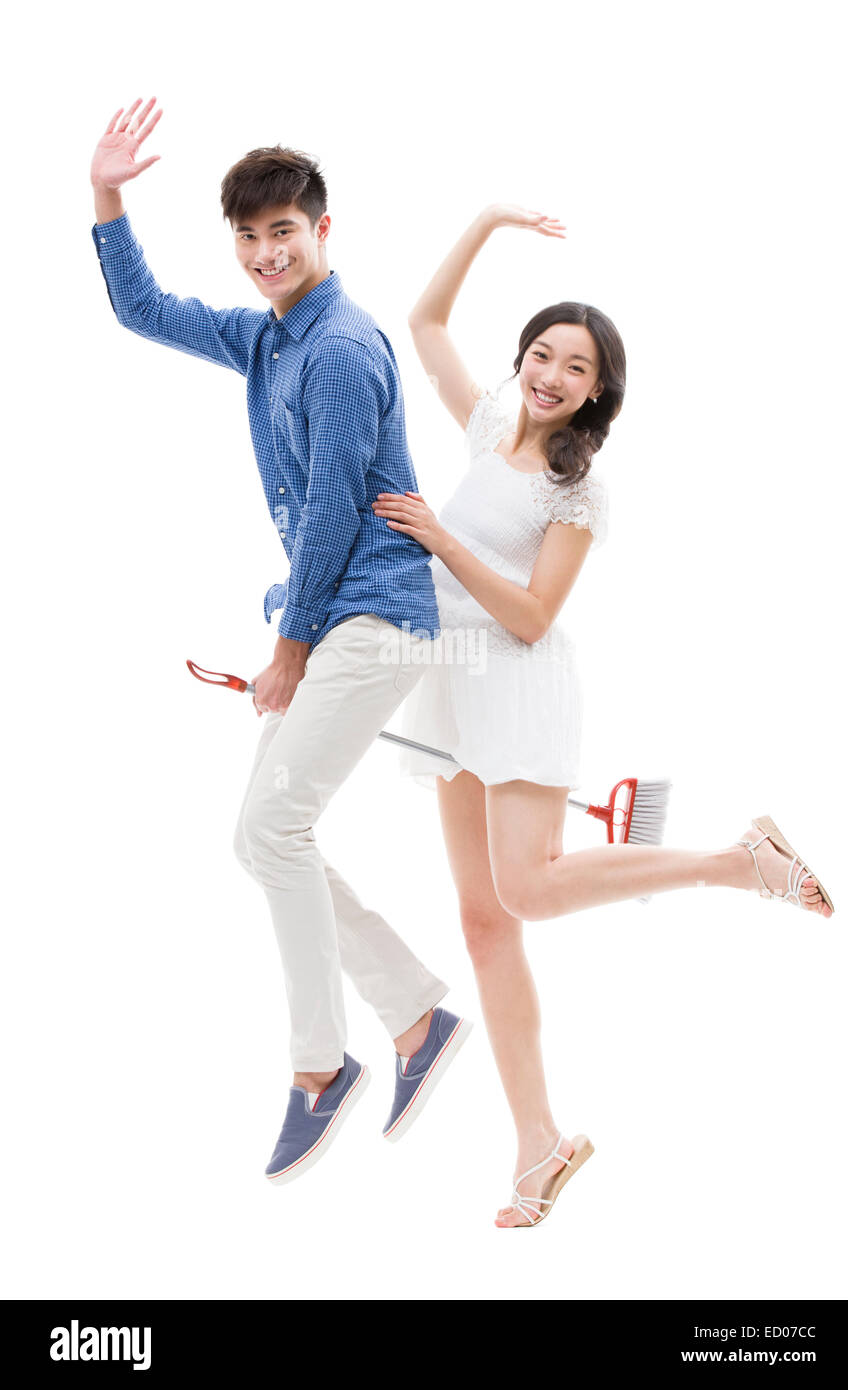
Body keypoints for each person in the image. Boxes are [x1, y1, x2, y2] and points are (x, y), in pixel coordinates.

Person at [371, 203, 835, 1228]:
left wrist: (440, 541)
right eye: (538, 353)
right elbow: (424, 321)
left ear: (596, 390)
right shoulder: (492, 422)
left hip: (518, 685)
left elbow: (533, 617)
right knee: (484, 921)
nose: (546, 375)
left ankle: (734, 861)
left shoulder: (579, 491)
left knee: (526, 894)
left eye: (570, 367)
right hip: (450, 684)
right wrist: (488, 218)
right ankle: (537, 1148)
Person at [89, 97, 471, 1187]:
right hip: (334, 614)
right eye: (249, 239)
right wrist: (107, 195)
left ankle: (318, 1068)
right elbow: (144, 310)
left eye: (283, 234)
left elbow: (336, 516)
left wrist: (292, 648)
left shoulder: (342, 348)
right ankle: (413, 1021)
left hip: (373, 612)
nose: (264, 254)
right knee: (264, 837)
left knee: (271, 826)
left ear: (322, 231)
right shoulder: (268, 338)